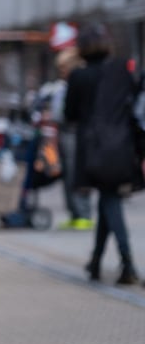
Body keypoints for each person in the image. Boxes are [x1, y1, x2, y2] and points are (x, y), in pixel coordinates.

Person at [65, 23, 142, 285]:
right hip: (121, 145)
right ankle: (96, 262)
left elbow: (69, 114)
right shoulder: (122, 70)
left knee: (109, 199)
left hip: (94, 147)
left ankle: (127, 262)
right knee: (107, 200)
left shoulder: (79, 76)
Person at [40, 46, 93, 230]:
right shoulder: (60, 86)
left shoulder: (80, 84)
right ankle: (74, 212)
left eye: (63, 67)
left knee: (76, 173)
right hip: (63, 130)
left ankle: (83, 213)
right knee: (67, 173)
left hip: (74, 131)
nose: (61, 71)